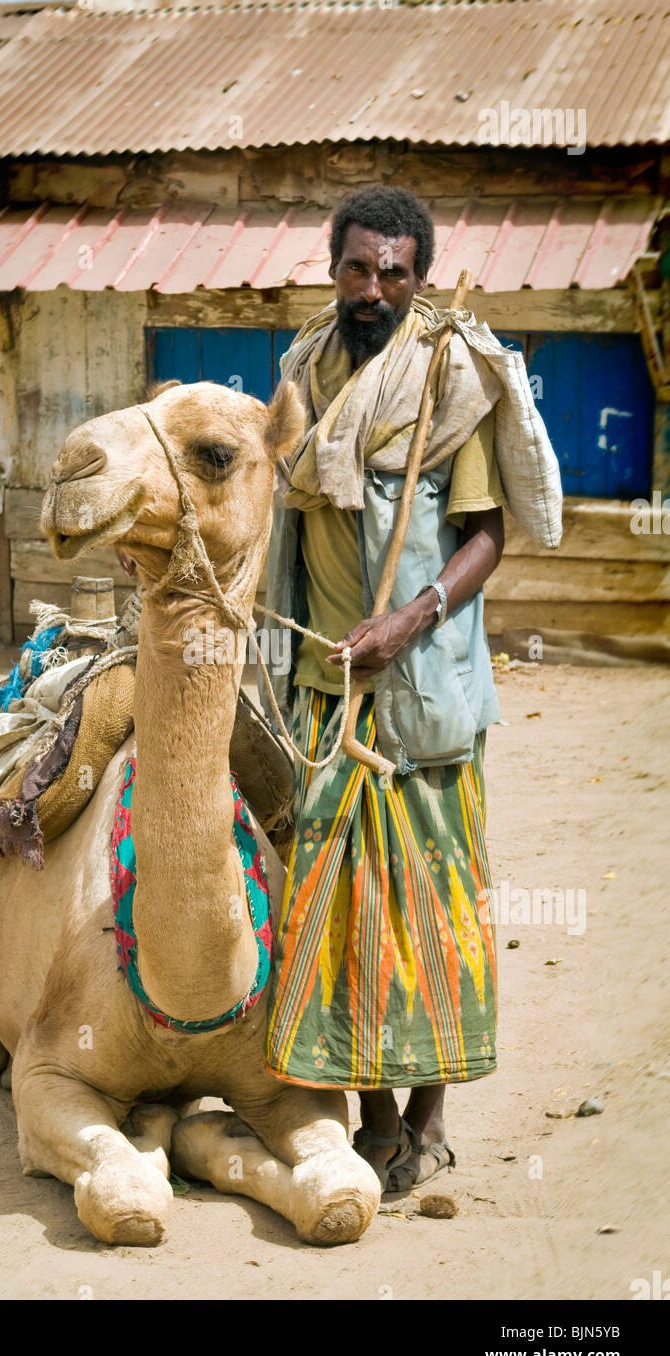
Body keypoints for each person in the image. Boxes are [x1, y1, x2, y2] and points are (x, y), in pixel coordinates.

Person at [260, 185, 559, 1192]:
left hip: (423, 695)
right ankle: (372, 1117)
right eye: (356, 266)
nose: (373, 287)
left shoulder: (447, 380)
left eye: (394, 270)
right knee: (338, 915)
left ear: (418, 277)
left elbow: (486, 534)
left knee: (429, 913)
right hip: (324, 691)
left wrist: (410, 616)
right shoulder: (303, 373)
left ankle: (427, 1120)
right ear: (331, 267)